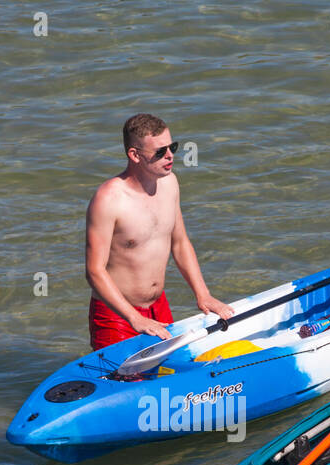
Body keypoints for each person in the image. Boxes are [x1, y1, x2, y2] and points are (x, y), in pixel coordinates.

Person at [84, 113, 233, 350]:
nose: (170, 156)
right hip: (117, 316)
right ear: (134, 154)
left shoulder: (170, 183)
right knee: (125, 383)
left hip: (158, 307)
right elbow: (94, 271)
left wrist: (203, 294)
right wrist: (134, 318)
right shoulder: (109, 200)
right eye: (160, 151)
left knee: (164, 376)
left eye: (172, 147)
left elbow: (180, 243)